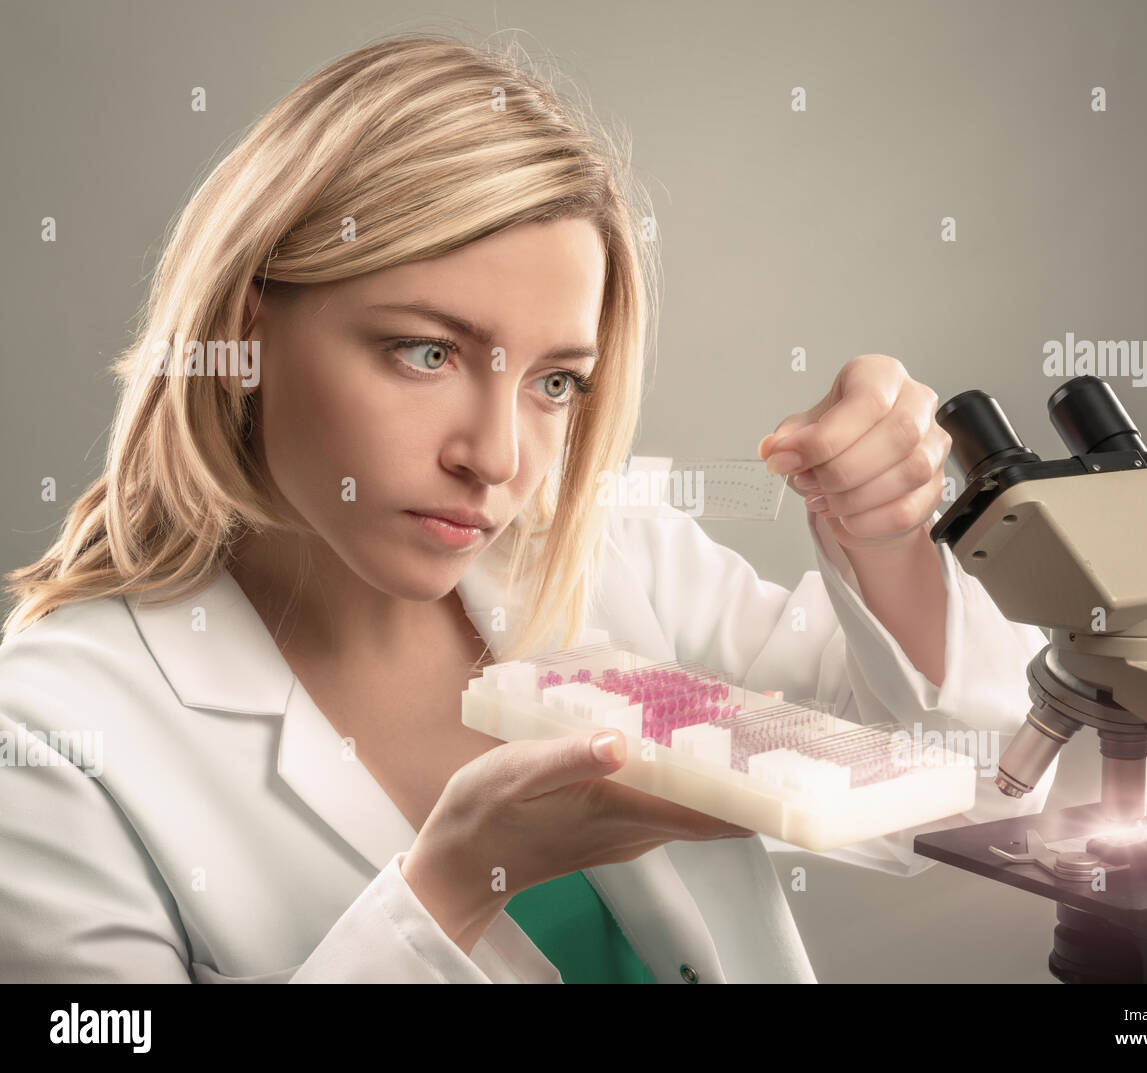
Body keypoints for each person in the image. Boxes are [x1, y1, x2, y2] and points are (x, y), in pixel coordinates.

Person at [0, 33, 1055, 983]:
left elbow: (981, 794)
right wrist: (452, 885)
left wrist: (889, 546)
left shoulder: (612, 564)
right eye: (426, 352)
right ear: (245, 332)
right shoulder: (50, 731)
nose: (497, 458)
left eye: (554, 382)